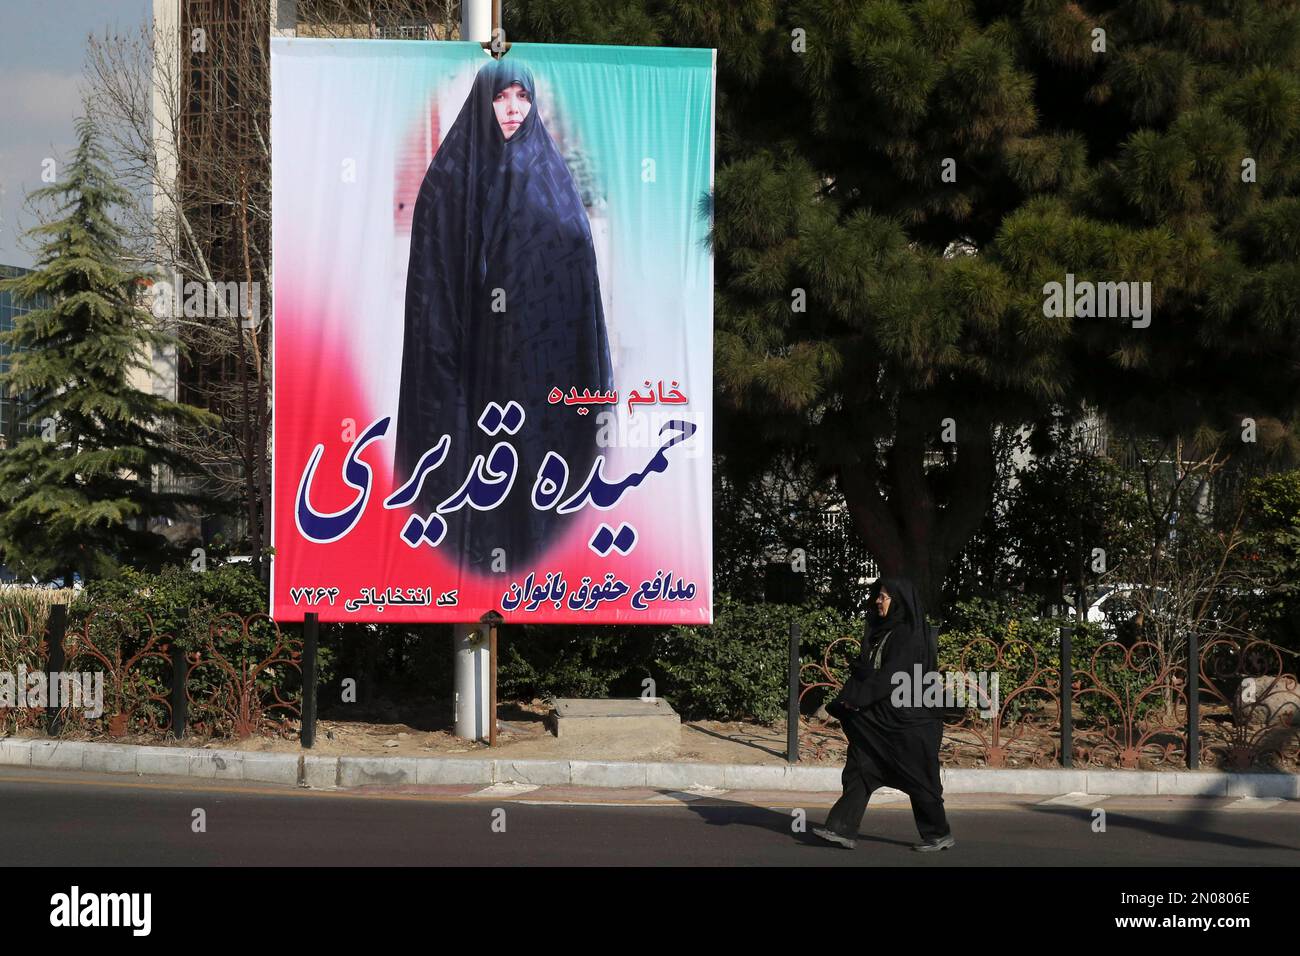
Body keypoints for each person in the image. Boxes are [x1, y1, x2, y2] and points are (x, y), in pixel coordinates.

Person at [395, 58, 613, 575]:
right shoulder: (449, 180)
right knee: (468, 496)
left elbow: (577, 276)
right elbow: (432, 282)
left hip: (536, 377)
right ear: (482, 102)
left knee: (532, 507)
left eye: (522, 97)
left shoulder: (550, 179)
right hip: (466, 377)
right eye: (501, 96)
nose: (513, 109)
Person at [813, 576, 955, 852]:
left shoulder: (909, 635)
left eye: (884, 596)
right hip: (882, 720)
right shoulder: (885, 631)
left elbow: (892, 677)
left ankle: (939, 834)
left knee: (919, 780)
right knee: (861, 768)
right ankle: (840, 828)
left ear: (899, 601)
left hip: (908, 724)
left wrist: (857, 697)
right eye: (878, 595)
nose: (878, 600)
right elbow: (876, 673)